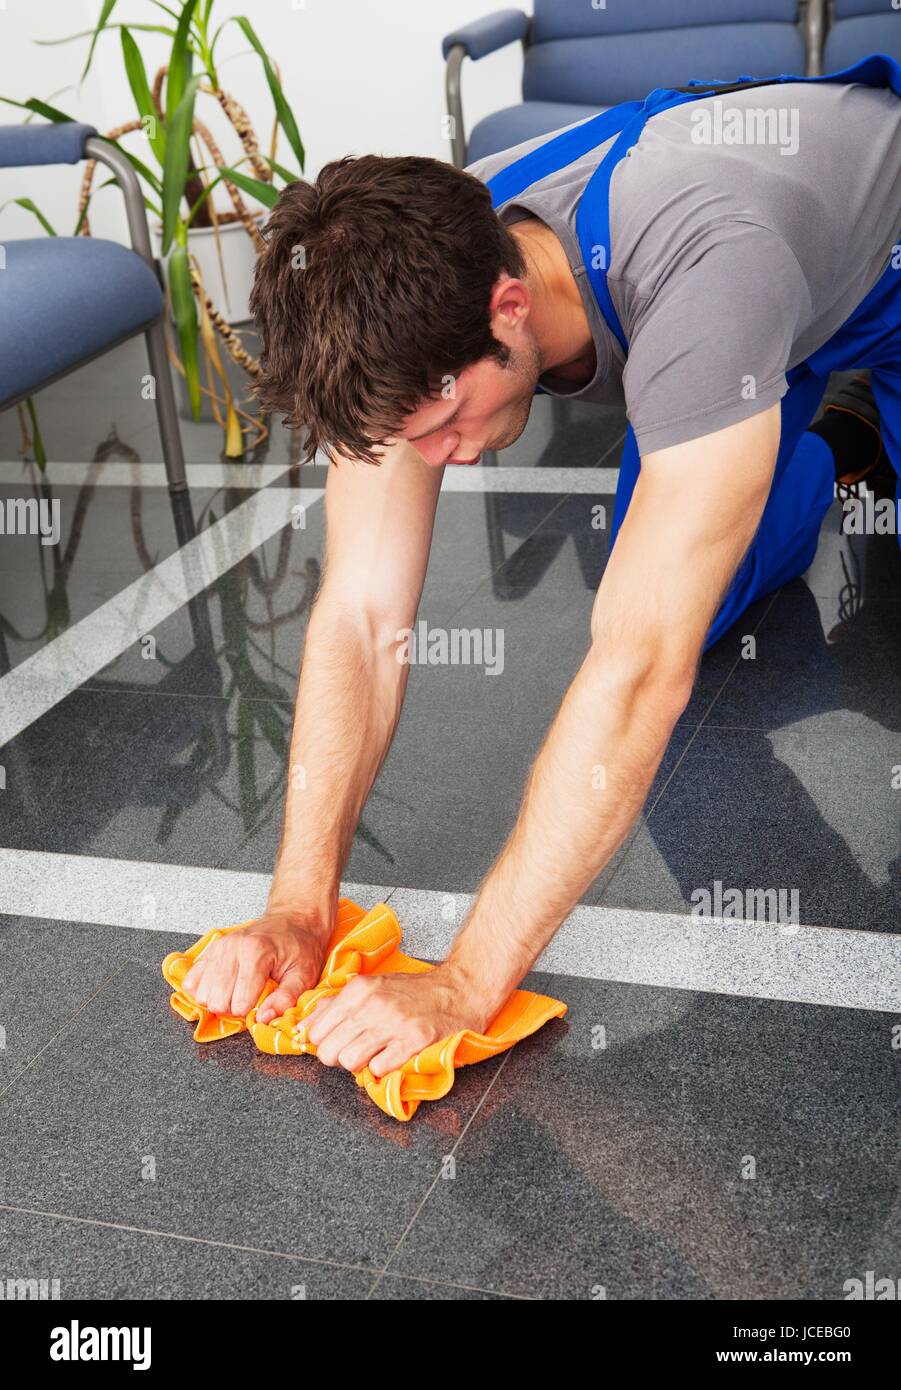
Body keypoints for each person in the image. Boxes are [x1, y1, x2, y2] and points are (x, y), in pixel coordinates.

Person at [183, 57, 901, 1081]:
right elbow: (358, 615)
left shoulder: (703, 269)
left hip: (859, 264)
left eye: (442, 426)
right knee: (686, 594)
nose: (432, 460)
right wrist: (301, 909)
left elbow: (636, 672)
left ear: (509, 304)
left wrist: (468, 980)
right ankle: (837, 436)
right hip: (747, 316)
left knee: (654, 624)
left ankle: (843, 405)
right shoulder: (405, 300)